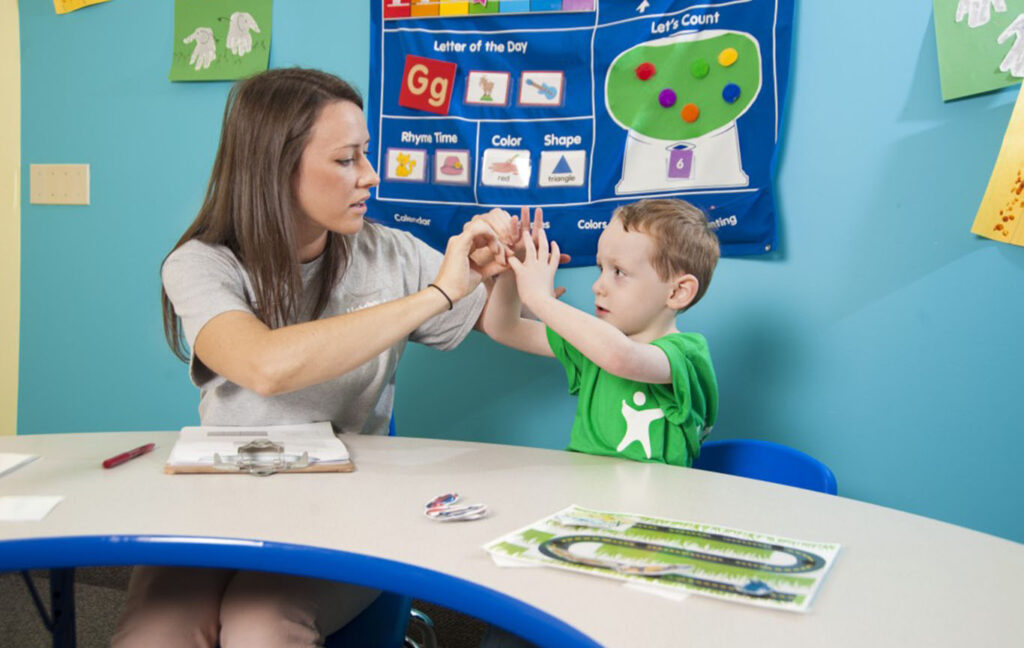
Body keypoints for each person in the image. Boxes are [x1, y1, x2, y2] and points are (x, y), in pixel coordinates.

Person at [112, 67, 517, 647]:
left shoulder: (390, 253)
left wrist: (508, 268)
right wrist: (436, 293)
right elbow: (265, 366)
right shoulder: (200, 263)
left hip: (343, 503)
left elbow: (498, 320)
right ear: (275, 169)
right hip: (219, 499)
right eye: (347, 159)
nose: (370, 175)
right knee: (158, 631)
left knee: (261, 625)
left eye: (366, 154)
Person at [483, 199, 720, 468]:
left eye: (619, 272)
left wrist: (540, 299)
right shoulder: (593, 343)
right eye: (601, 269)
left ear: (677, 292)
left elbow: (622, 358)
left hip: (655, 495)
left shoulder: (685, 354)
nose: (597, 286)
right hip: (585, 492)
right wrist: (513, 269)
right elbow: (503, 327)